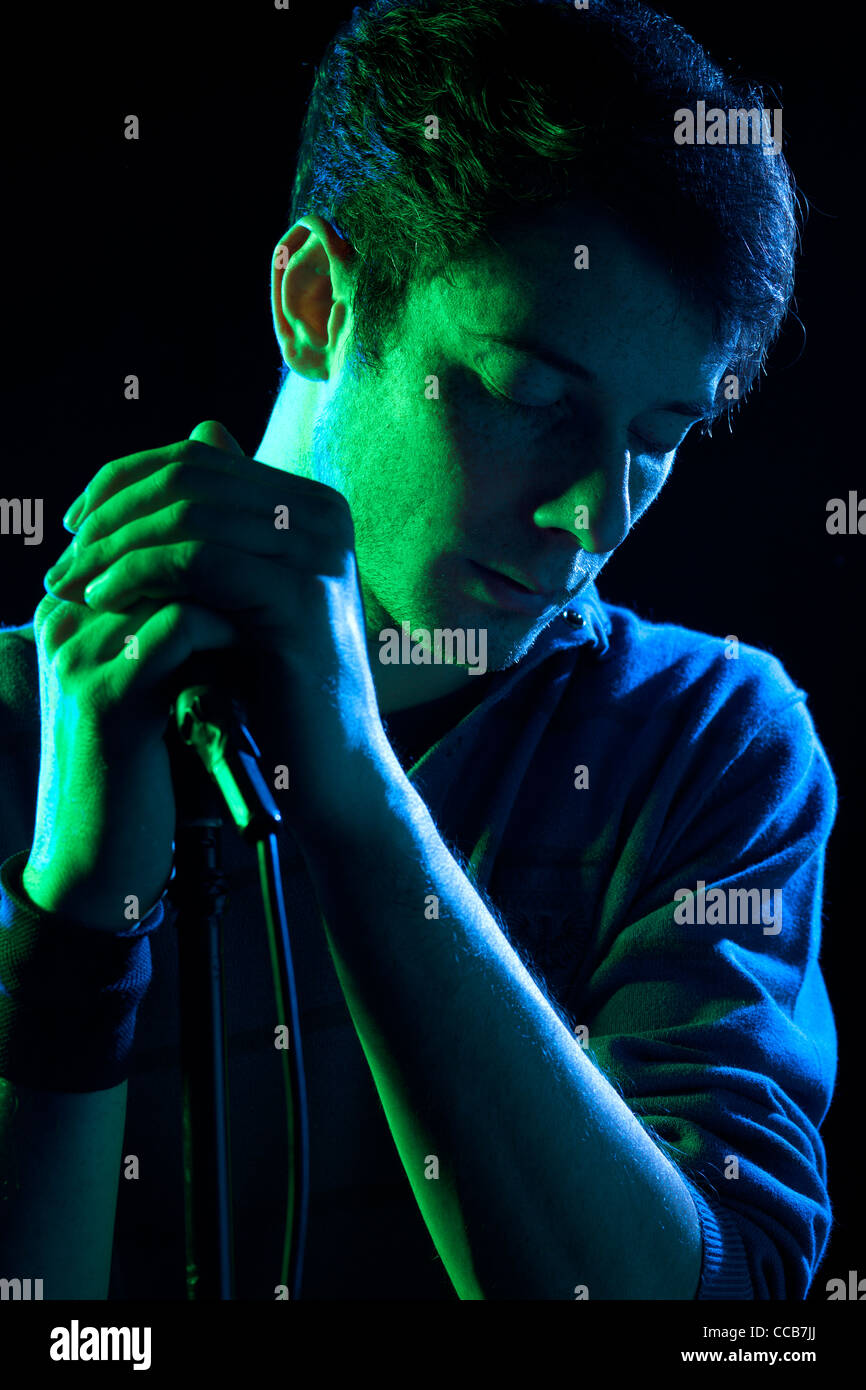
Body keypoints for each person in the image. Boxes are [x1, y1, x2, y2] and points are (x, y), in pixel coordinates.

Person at [0, 0, 836, 1300]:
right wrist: (73, 937)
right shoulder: (16, 723)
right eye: (529, 400)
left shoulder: (708, 738)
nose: (588, 517)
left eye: (659, 436)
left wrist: (355, 789)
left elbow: (711, 1316)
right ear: (319, 299)